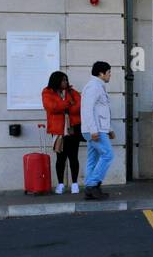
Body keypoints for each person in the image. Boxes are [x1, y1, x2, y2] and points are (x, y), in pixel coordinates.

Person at [41, 71, 82, 195]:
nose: (65, 82)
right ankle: (60, 184)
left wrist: (63, 106)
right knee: (60, 158)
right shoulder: (47, 92)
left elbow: (79, 106)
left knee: (73, 157)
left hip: (73, 129)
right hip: (58, 131)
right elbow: (51, 107)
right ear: (56, 81)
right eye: (63, 80)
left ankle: (74, 183)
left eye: (66, 80)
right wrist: (68, 104)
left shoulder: (72, 92)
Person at [81, 61, 115, 200]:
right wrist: (94, 130)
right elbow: (87, 110)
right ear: (101, 73)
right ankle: (92, 185)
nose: (110, 75)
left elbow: (102, 111)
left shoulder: (97, 86)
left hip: (97, 129)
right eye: (108, 72)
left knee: (92, 159)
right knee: (108, 155)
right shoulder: (94, 87)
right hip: (95, 130)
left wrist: (109, 129)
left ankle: (90, 190)